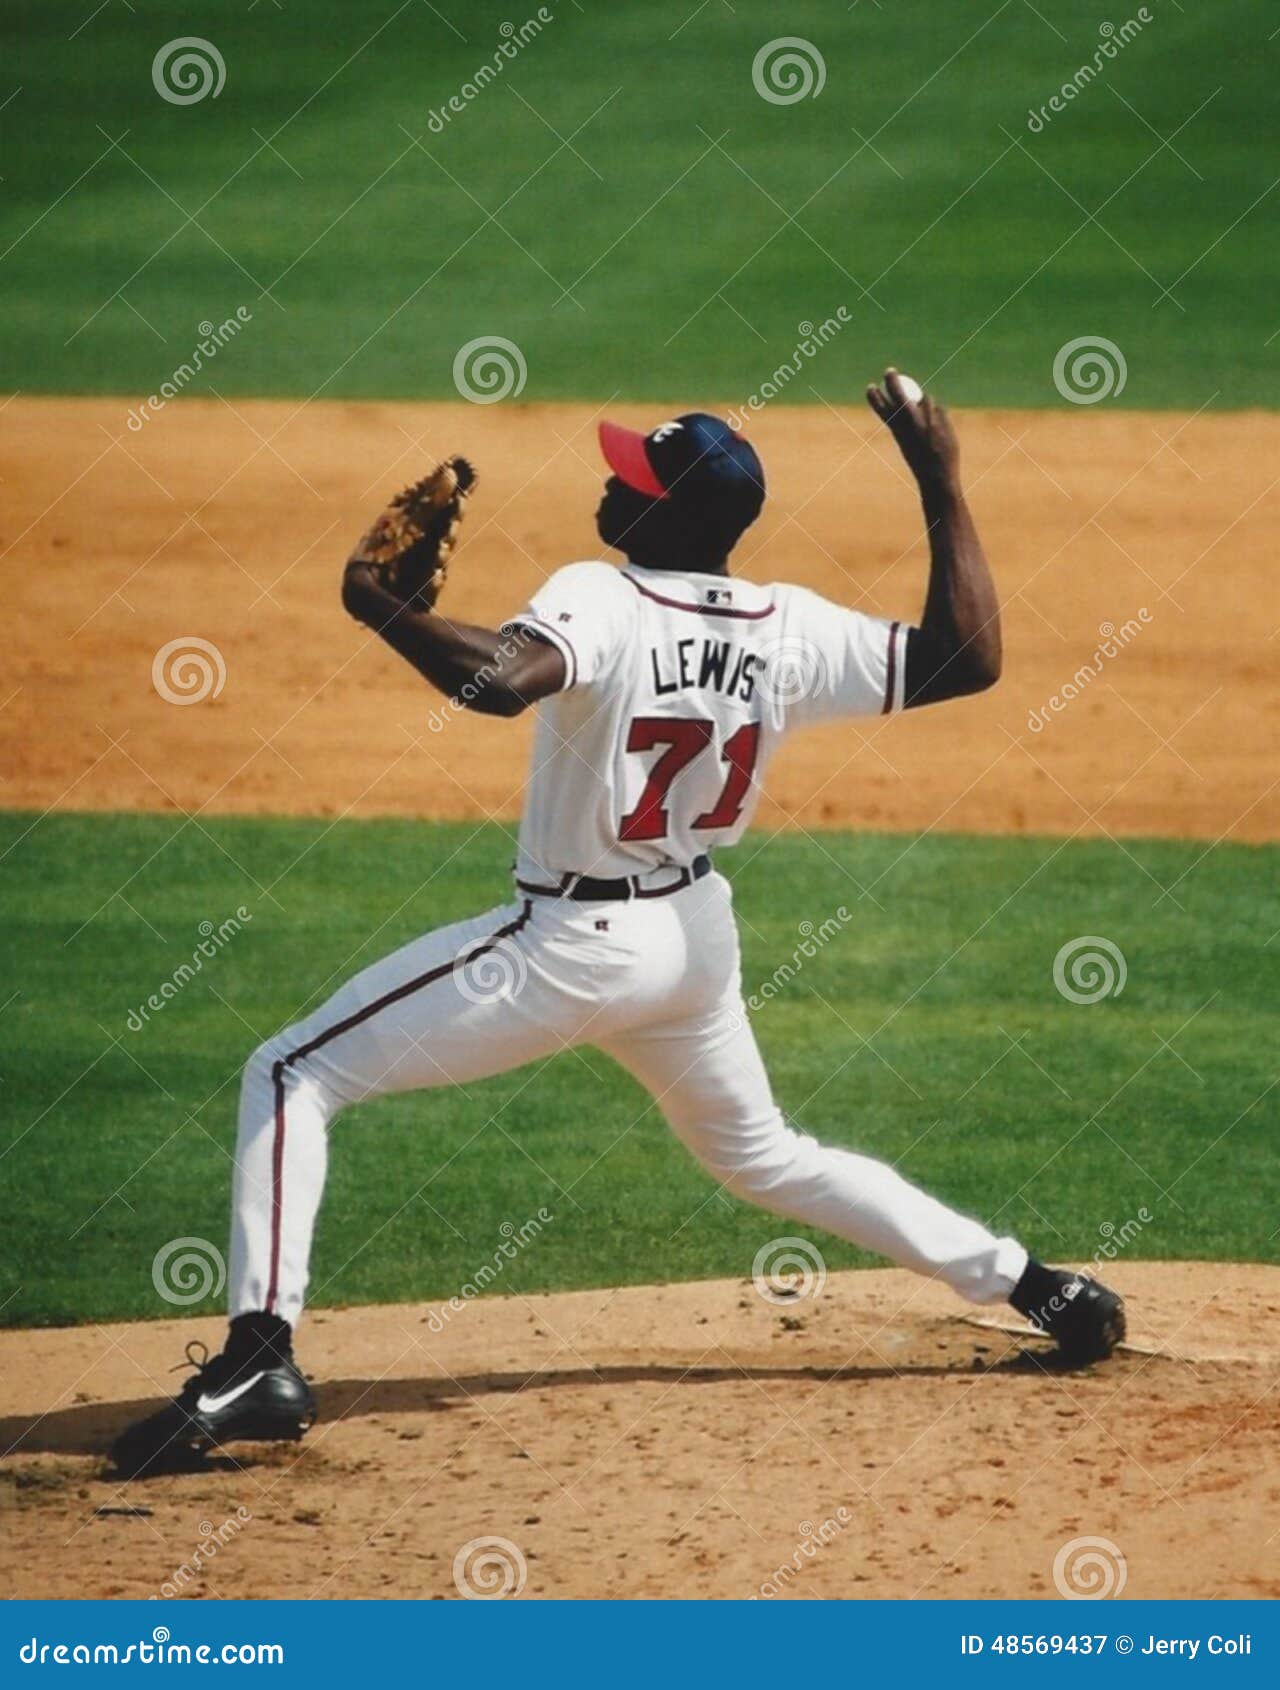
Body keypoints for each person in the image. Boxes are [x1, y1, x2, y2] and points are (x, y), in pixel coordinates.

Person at [112, 371, 1124, 1477]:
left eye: (635, 479)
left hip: (567, 950)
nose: (610, 480)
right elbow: (963, 658)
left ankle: (261, 1353)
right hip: (690, 948)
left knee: (289, 1070)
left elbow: (501, 684)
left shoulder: (601, 593)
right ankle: (1036, 1285)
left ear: (678, 515)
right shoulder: (784, 623)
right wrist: (939, 480)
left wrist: (381, 608)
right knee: (769, 1158)